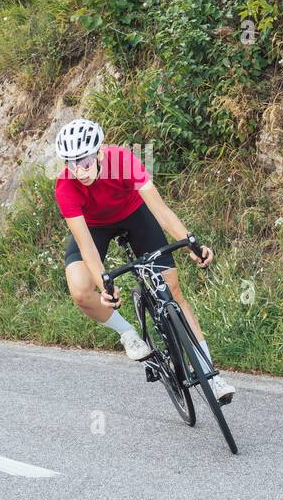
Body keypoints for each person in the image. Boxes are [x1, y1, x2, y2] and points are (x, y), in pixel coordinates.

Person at [54, 118, 235, 403]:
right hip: (94, 228)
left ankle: (210, 375)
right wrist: (104, 285)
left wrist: (190, 244)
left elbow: (160, 211)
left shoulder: (121, 160)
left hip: (134, 214)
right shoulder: (66, 186)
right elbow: (86, 244)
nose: (79, 170)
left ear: (99, 153)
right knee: (79, 289)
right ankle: (128, 334)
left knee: (172, 290)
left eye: (85, 161)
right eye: (71, 163)